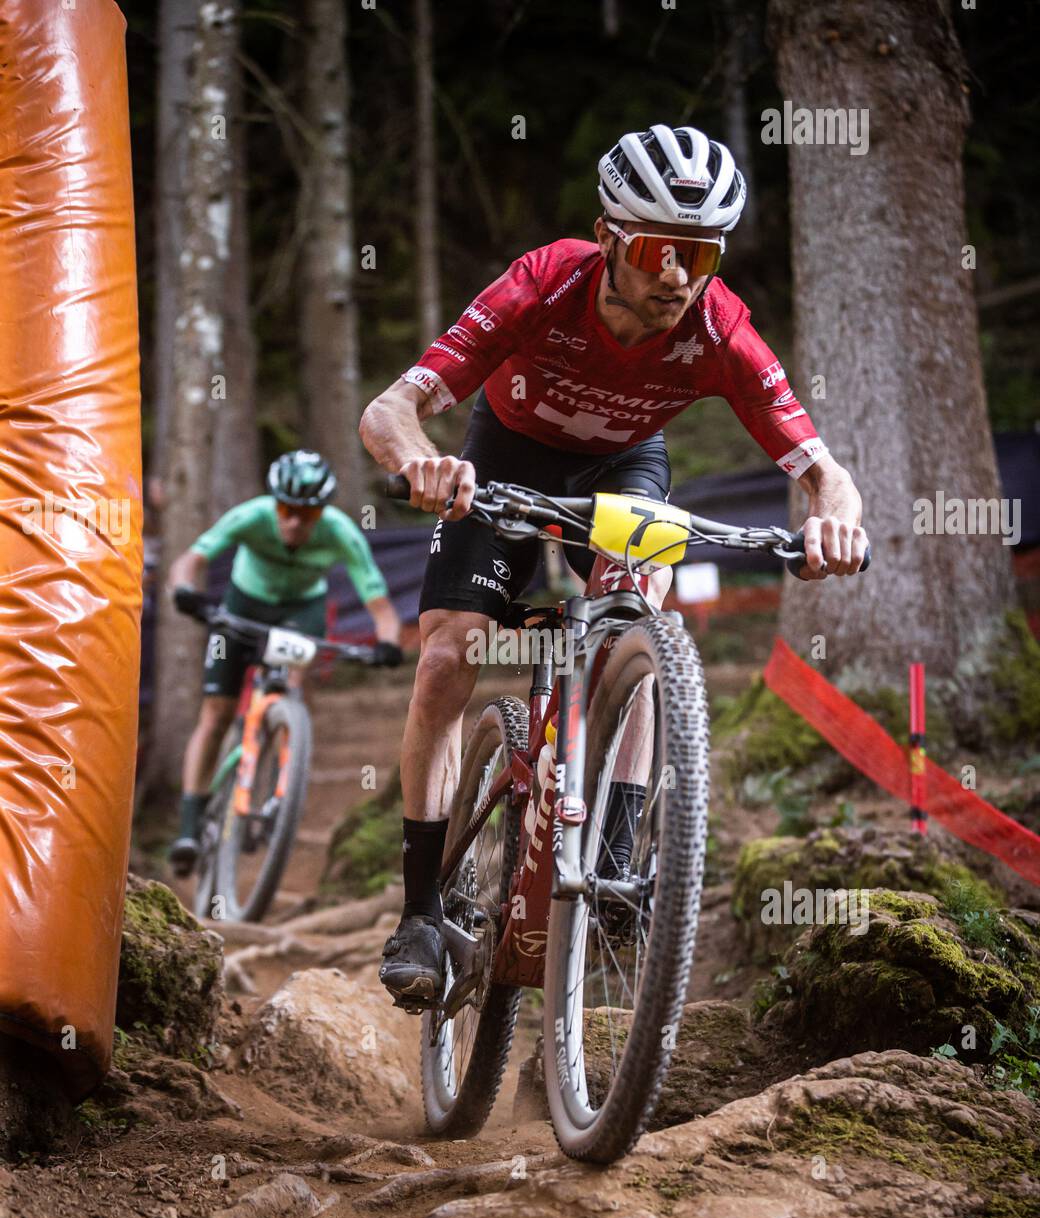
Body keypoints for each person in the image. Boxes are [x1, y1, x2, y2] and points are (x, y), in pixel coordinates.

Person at [359, 124, 870, 1007]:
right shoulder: (544, 283)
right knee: (448, 657)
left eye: (699, 254)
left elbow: (827, 475)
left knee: (642, 606)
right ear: (608, 237)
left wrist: (835, 525)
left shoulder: (719, 328)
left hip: (625, 467)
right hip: (508, 455)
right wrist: (423, 463)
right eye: (657, 250)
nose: (677, 276)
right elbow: (390, 409)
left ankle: (621, 850)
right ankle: (418, 913)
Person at [166, 450, 403, 875]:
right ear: (274, 504)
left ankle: (283, 782)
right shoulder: (252, 516)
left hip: (300, 613)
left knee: (293, 683)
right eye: (286, 510)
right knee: (216, 714)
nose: (295, 522)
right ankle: (188, 824)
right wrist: (185, 589)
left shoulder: (341, 532)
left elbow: (380, 605)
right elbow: (193, 558)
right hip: (242, 608)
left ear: (322, 512)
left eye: (307, 514)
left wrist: (387, 643)